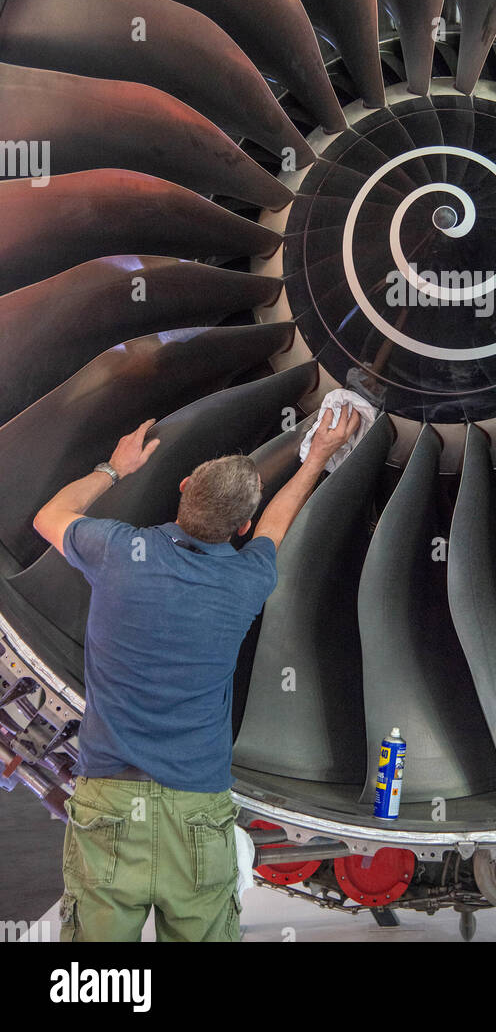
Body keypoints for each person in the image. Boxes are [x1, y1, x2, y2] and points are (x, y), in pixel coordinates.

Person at [32, 404, 360, 943]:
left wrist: (115, 469)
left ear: (184, 486)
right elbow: (278, 523)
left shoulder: (118, 551)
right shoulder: (247, 580)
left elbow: (49, 517)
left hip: (110, 803)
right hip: (196, 811)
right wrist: (317, 458)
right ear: (243, 527)